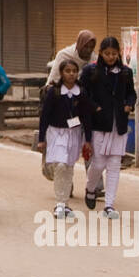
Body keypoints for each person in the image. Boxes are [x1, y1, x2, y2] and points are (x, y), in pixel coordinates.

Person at [80, 37, 136, 218]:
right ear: (101, 53)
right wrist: (94, 106)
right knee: (97, 163)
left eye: (114, 53)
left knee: (114, 165)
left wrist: (129, 104)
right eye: (107, 53)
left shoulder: (126, 73)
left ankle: (109, 205)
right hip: (99, 123)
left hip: (118, 124)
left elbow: (131, 94)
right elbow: (83, 94)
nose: (111, 57)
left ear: (118, 53)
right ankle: (90, 189)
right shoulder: (90, 71)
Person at [37, 58, 95, 221]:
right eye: (67, 71)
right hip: (56, 133)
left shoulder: (81, 92)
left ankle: (65, 202)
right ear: (61, 73)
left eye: (74, 71)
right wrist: (42, 139)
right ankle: (60, 203)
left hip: (74, 133)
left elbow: (86, 117)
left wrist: (88, 139)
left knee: (69, 167)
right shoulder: (53, 92)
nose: (71, 74)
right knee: (60, 165)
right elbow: (45, 116)